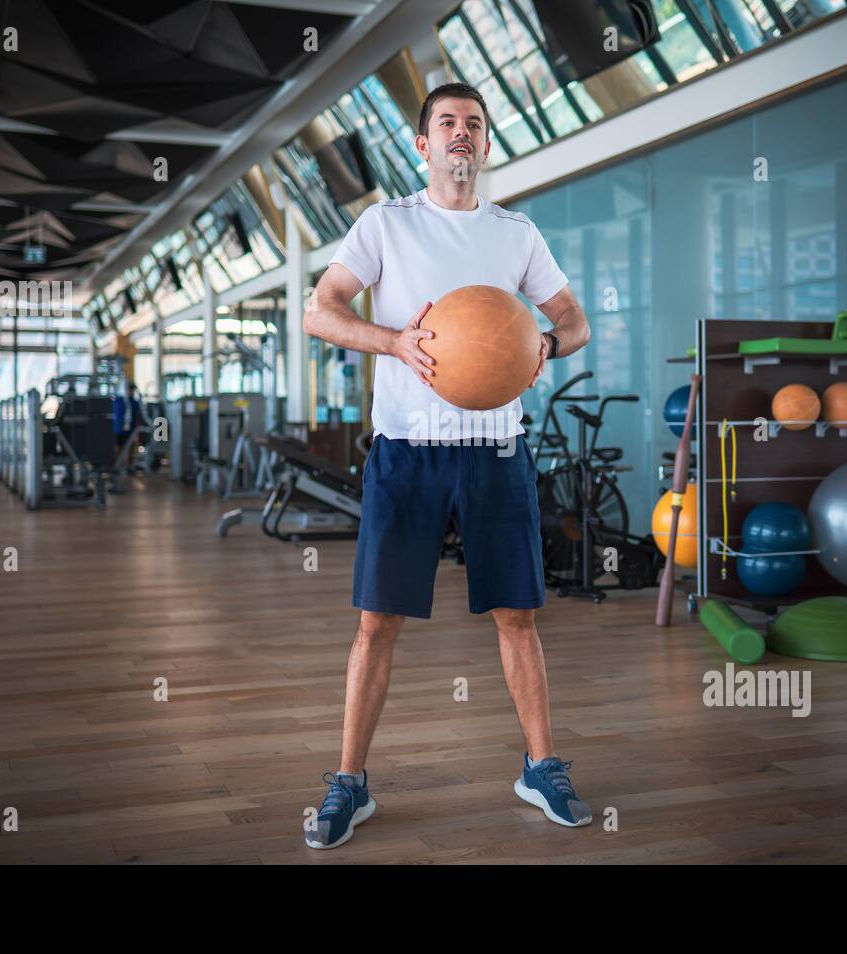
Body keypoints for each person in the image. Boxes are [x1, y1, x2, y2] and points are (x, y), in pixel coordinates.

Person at [301, 83, 592, 849]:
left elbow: (573, 320)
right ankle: (349, 782)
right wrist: (395, 341)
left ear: (485, 144)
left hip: (497, 451)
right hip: (407, 453)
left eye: (474, 124)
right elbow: (320, 309)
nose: (461, 134)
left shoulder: (515, 234)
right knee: (376, 623)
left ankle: (541, 765)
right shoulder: (386, 225)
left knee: (517, 616)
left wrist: (545, 348)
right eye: (446, 124)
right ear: (423, 145)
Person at [112, 381, 145, 473]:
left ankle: (128, 467)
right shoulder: (119, 400)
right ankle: (116, 466)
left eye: (132, 390)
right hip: (119, 428)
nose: (130, 391)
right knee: (118, 446)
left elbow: (139, 414)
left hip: (131, 429)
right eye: (129, 389)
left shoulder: (134, 402)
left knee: (129, 447)